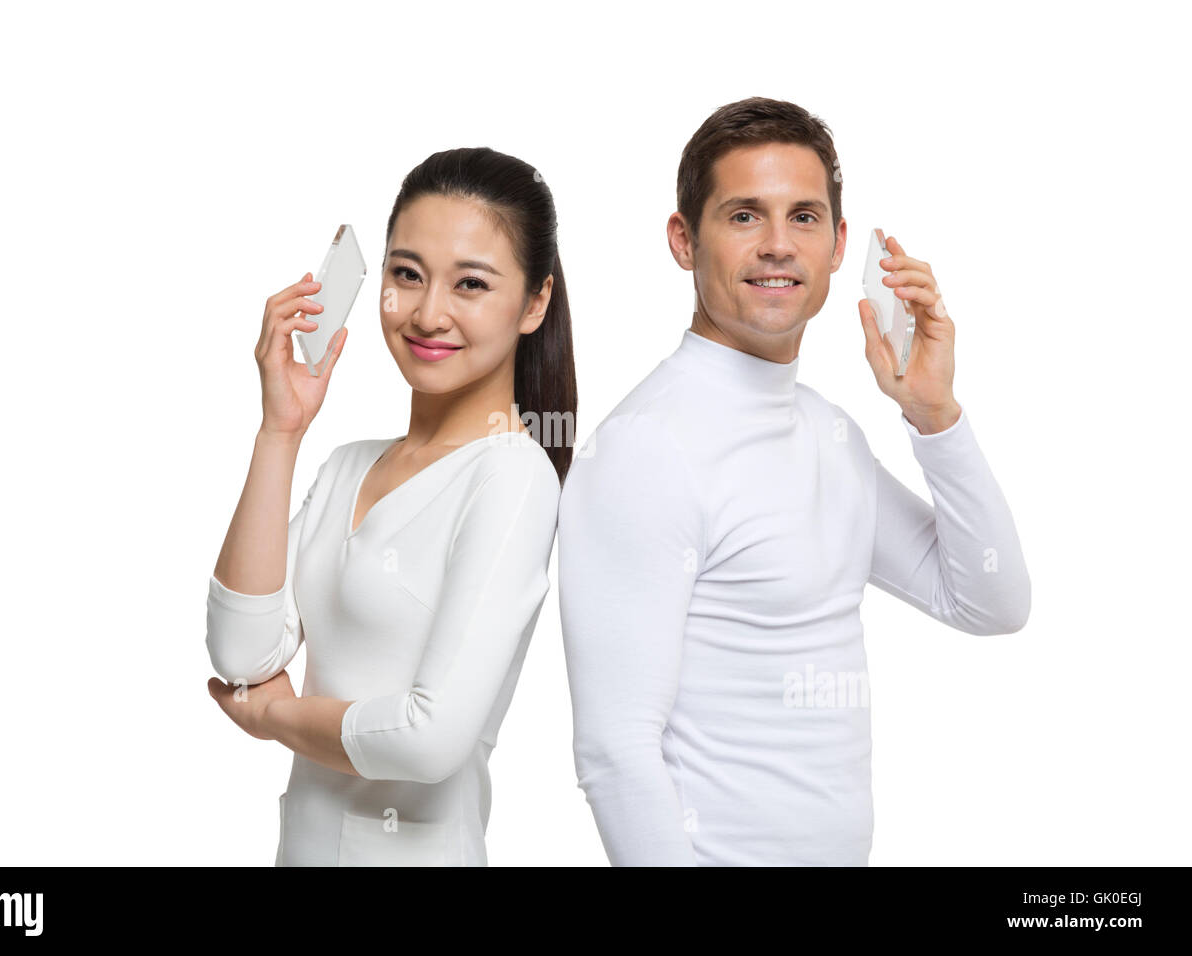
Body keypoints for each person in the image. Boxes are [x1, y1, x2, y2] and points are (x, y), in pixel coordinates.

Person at [558, 97, 1031, 866]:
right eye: (744, 216)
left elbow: (992, 601)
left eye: (804, 217)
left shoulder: (828, 435)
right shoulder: (645, 450)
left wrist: (935, 415)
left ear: (840, 244)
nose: (778, 245)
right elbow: (614, 752)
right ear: (684, 239)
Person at [205, 146, 575, 866]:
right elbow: (240, 654)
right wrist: (280, 430)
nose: (428, 314)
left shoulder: (513, 477)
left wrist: (278, 717)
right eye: (407, 275)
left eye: (471, 284)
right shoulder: (349, 465)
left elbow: (429, 740)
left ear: (535, 303)